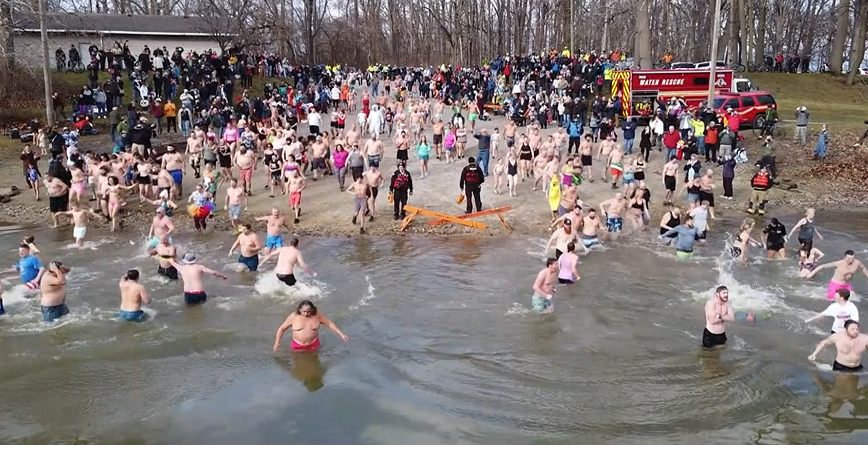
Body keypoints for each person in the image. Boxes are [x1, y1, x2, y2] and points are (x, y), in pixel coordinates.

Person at [273, 300, 350, 352]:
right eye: (304, 312)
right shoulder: (294, 316)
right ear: (300, 310)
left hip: (314, 344)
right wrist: (277, 342)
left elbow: (329, 323)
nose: (306, 314)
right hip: (297, 346)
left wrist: (341, 334)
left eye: (308, 312)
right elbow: (282, 328)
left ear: (312, 310)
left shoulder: (317, 315)